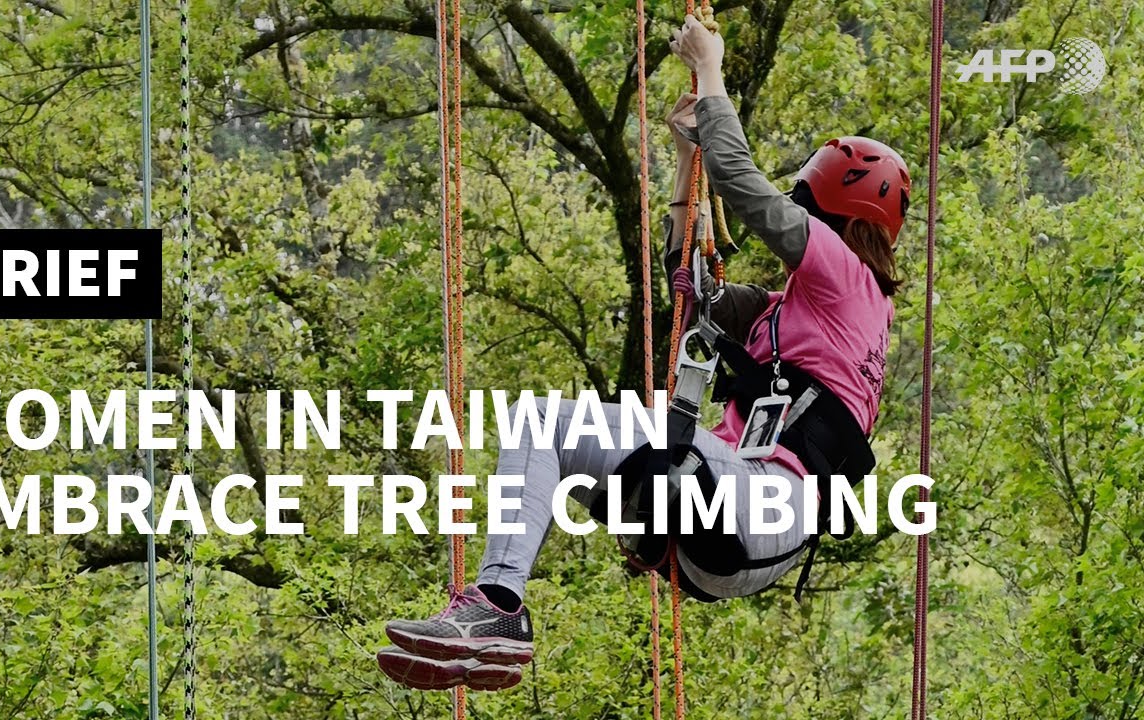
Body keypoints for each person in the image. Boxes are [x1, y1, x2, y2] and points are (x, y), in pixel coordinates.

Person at [376, 13, 911, 692]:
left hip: (756, 504)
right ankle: (491, 624)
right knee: (554, 441)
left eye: (806, 208)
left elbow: (743, 184)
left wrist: (710, 69)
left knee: (540, 422)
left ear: (833, 217)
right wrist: (689, 160)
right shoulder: (802, 311)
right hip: (737, 532)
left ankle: (499, 608)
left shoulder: (847, 276)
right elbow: (692, 290)